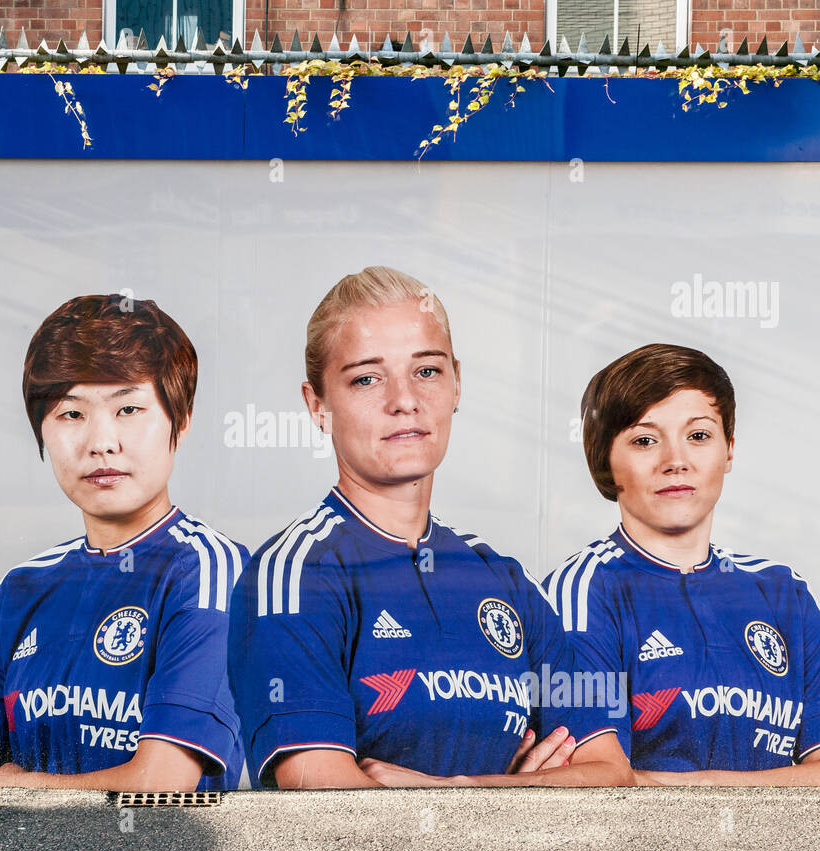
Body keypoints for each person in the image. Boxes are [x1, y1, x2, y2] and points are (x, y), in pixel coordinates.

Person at [228, 266, 634, 789]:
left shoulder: (508, 581)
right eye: (366, 378)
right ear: (317, 405)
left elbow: (611, 775)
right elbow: (328, 806)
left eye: (426, 371)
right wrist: (531, 795)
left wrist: (456, 791)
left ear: (457, 383)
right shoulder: (292, 577)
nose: (404, 400)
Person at [0, 294, 247, 791]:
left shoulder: (212, 572)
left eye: (129, 408)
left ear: (180, 423)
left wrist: (26, 789)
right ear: (41, 432)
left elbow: (162, 783)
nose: (101, 441)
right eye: (71, 414)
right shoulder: (21, 589)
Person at [544, 343, 820, 785]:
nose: (675, 462)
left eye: (698, 436)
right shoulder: (583, 590)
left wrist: (686, 786)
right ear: (604, 460)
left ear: (729, 450)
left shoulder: (782, 592)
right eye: (645, 440)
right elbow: (602, 785)